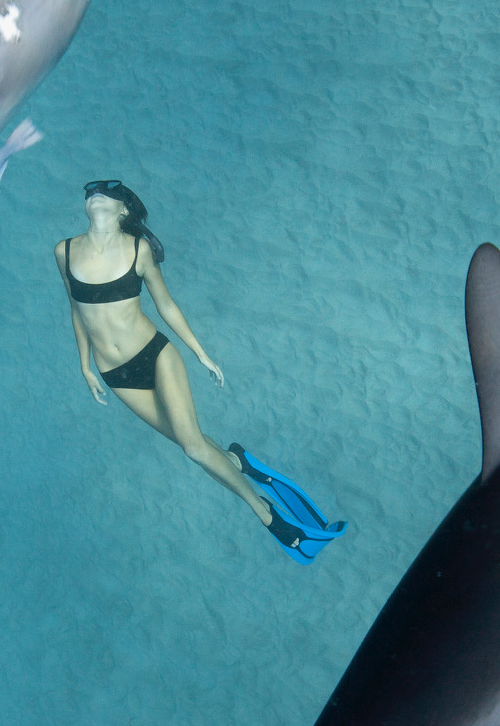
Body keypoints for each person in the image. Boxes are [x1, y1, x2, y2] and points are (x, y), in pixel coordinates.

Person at [56, 180, 336, 558]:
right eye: (91, 192)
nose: (96, 194)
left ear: (124, 210)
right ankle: (237, 460)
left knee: (192, 447)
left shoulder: (138, 250)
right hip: (116, 375)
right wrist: (85, 366)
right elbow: (76, 310)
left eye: (108, 191)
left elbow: (166, 306)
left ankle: (267, 513)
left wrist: (201, 353)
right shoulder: (64, 251)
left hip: (154, 356)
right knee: (192, 441)